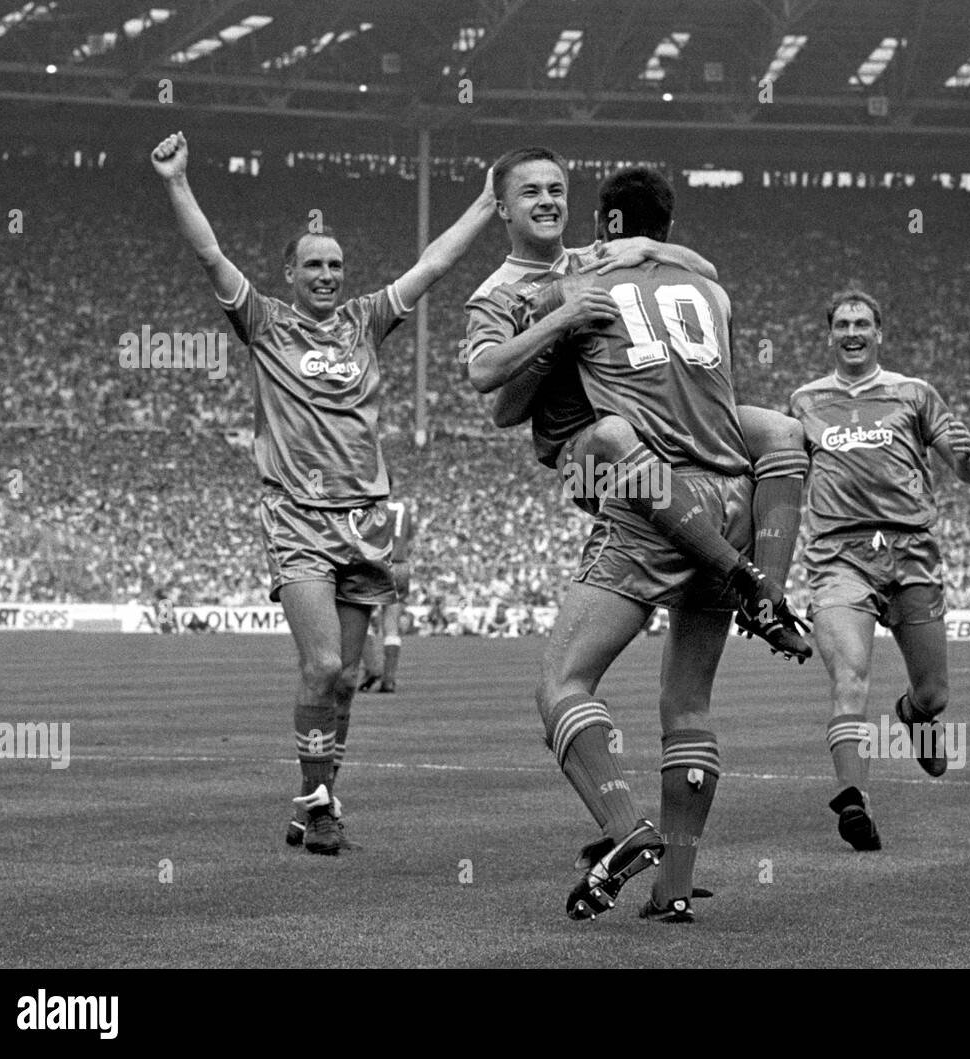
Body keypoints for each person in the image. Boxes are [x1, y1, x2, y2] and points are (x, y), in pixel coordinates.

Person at [152, 130, 496, 856]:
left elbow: (433, 264)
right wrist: (178, 181)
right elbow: (211, 255)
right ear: (288, 271)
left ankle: (319, 798)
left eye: (336, 264)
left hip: (366, 520)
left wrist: (488, 202)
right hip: (297, 517)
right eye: (313, 264)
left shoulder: (367, 321)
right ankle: (318, 801)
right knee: (324, 666)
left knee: (344, 685)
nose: (328, 274)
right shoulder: (264, 322)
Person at [506, 166, 759, 924]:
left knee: (562, 682)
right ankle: (675, 888)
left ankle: (625, 831)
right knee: (688, 701)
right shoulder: (711, 292)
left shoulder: (584, 278)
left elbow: (503, 393)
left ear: (611, 225)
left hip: (653, 494)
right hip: (732, 495)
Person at [465, 147, 810, 660]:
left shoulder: (595, 258)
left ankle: (767, 596)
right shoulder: (498, 295)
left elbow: (706, 267)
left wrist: (650, 245)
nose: (546, 202)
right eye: (530, 192)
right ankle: (736, 571)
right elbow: (493, 390)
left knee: (781, 430)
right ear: (503, 208)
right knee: (614, 435)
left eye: (556, 190)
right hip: (598, 455)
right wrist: (560, 319)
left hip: (658, 433)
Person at [790, 289, 970, 851]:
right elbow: (782, 477)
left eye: (863, 323)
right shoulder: (804, 402)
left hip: (911, 550)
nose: (853, 332)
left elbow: (969, 472)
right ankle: (853, 800)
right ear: (830, 334)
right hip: (837, 554)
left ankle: (913, 715)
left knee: (936, 692)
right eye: (843, 324)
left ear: (880, 332)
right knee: (848, 681)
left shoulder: (914, 394)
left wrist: (967, 456)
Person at [358, 495, 413, 693]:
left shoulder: (369, 506)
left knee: (361, 620)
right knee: (391, 625)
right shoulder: (403, 508)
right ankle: (389, 679)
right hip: (400, 566)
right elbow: (409, 542)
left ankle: (372, 669)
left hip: (375, 564)